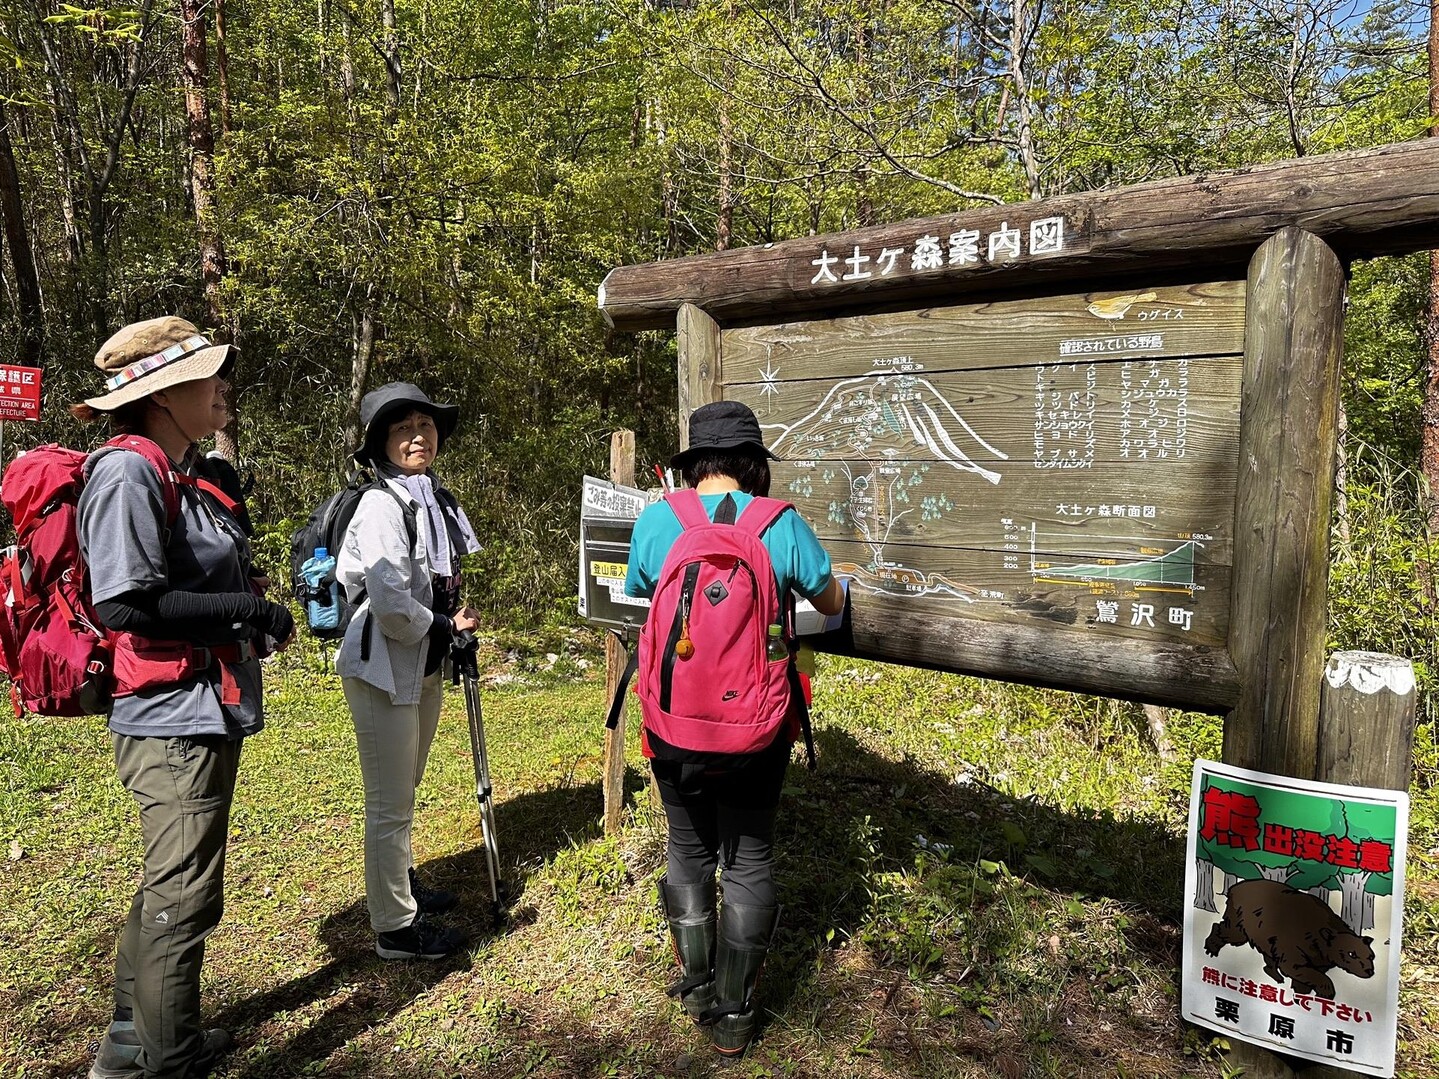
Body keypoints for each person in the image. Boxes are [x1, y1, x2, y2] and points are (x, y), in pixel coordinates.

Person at [73, 316, 296, 1079]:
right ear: (164, 396)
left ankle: (132, 1044)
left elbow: (185, 578)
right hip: (170, 720)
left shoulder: (179, 471)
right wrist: (250, 613)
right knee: (185, 900)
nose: (221, 385)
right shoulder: (127, 471)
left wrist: (241, 594)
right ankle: (171, 1060)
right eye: (207, 376)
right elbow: (125, 603)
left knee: (172, 885)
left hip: (202, 708)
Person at [624, 400, 845, 1056]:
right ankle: (734, 1011)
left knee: (687, 846)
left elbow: (641, 585)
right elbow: (830, 598)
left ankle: (694, 981)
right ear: (752, 464)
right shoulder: (780, 523)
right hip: (757, 727)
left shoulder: (657, 520)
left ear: (693, 465)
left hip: (672, 722)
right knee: (748, 853)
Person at [336, 382, 482, 960]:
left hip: (421, 661)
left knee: (407, 785)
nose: (416, 436)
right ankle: (395, 928)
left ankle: (400, 883)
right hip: (383, 663)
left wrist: (453, 618)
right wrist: (446, 627)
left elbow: (434, 584)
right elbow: (393, 604)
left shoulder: (434, 500)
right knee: (389, 800)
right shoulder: (379, 505)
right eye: (401, 429)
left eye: (424, 424)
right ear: (380, 444)